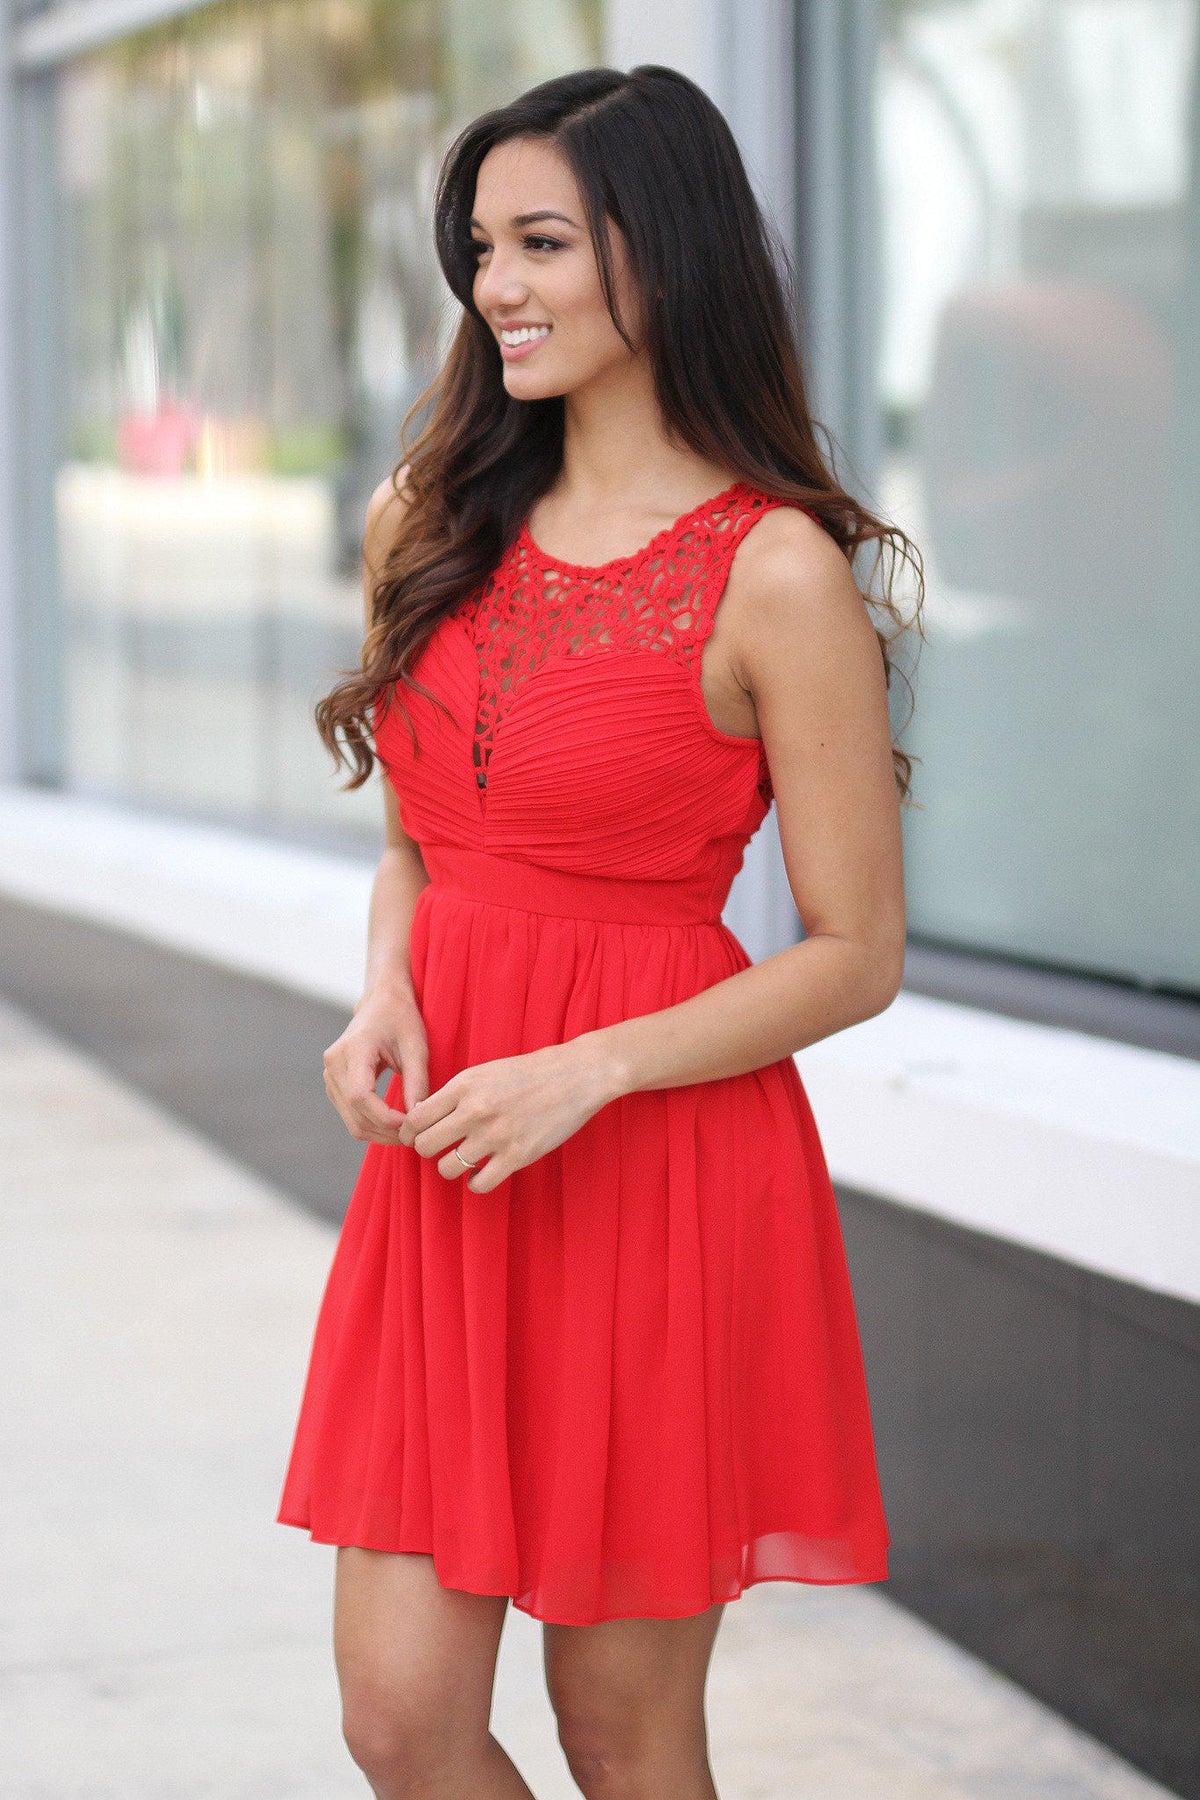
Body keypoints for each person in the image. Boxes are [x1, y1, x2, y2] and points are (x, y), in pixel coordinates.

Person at [277, 63, 922, 1800]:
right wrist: (382, 994)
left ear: (666, 253)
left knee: (623, 1731)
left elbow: (857, 951)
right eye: (481, 245)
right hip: (451, 1167)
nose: (498, 286)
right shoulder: (424, 517)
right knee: (400, 1718)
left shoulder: (770, 573)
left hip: (653, 1174)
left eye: (542, 241)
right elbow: (423, 843)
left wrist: (592, 1070)